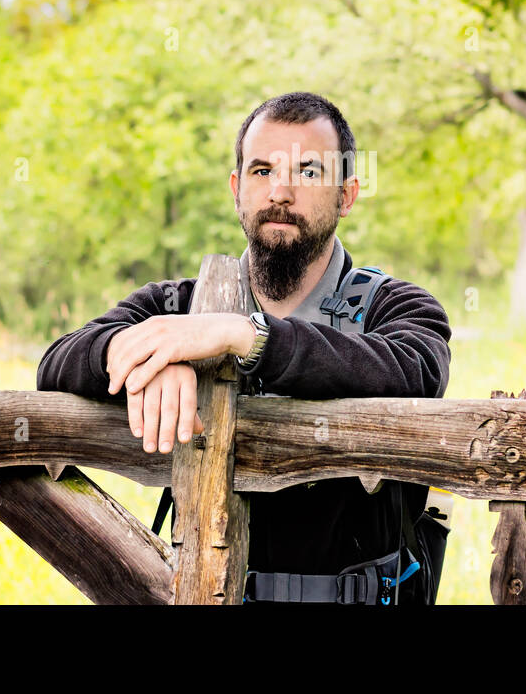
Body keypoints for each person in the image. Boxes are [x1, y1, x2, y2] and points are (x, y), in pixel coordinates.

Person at [36, 91, 452, 602]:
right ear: (236, 189)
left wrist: (248, 336)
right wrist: (155, 357)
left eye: (308, 171)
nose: (280, 191)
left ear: (346, 195)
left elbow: (414, 370)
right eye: (261, 171)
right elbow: (58, 360)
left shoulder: (397, 306)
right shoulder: (178, 308)